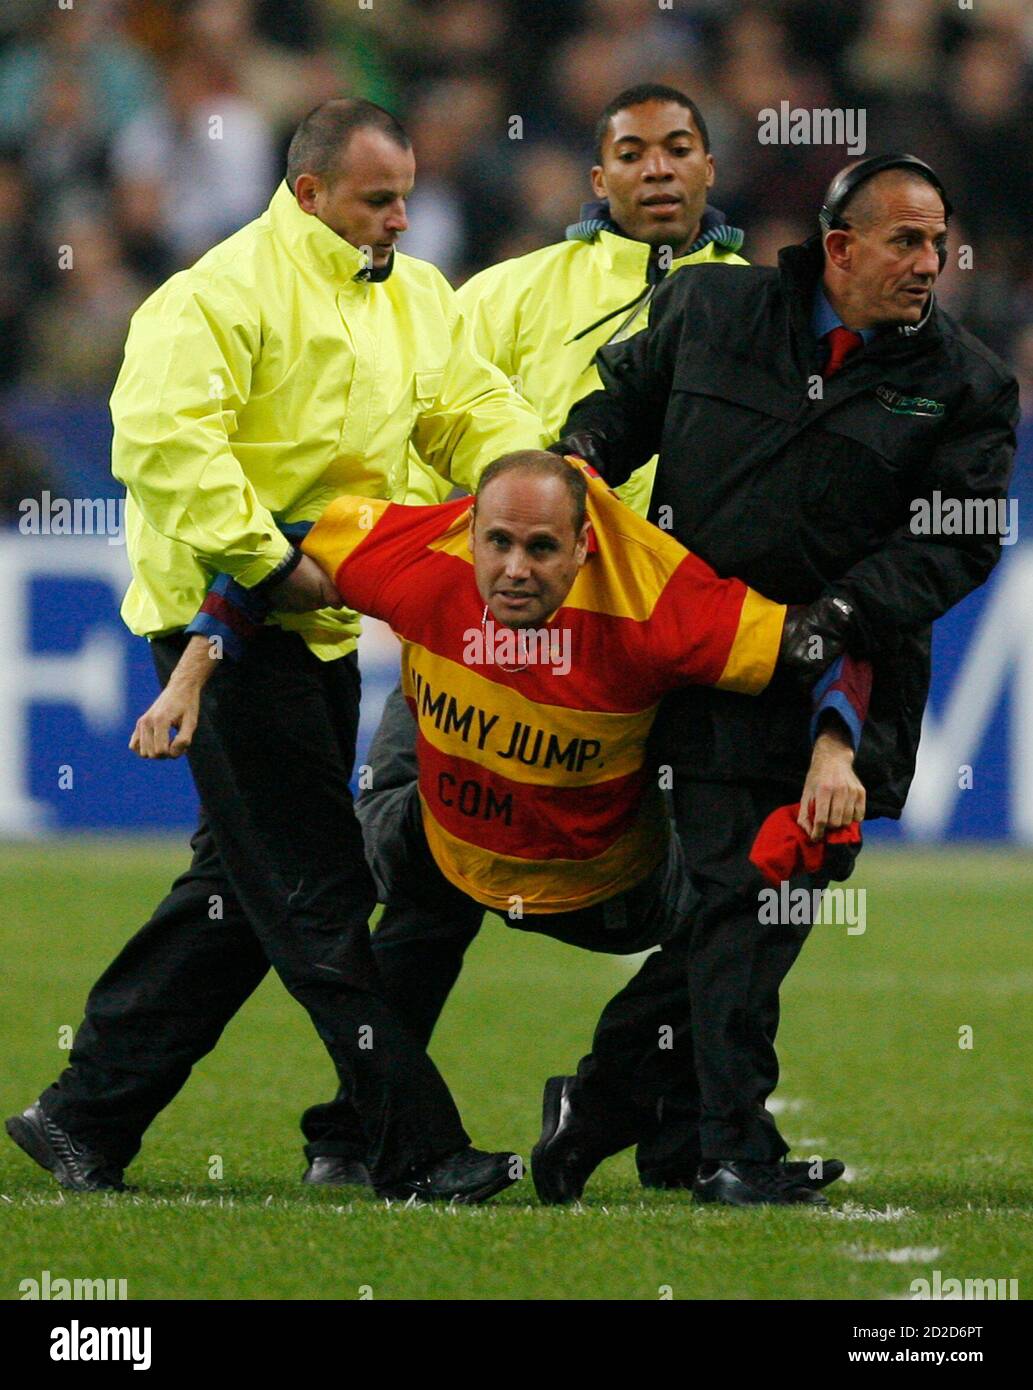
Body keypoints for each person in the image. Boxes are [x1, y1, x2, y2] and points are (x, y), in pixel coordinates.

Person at [5, 99, 546, 1204]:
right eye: (376, 199)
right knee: (314, 892)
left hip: (322, 626)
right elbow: (164, 448)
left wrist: (533, 479)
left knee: (240, 888)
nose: (401, 217)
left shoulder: (416, 299)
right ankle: (413, 1146)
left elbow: (465, 412)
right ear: (308, 193)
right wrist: (269, 563)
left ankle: (83, 1112)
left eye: (404, 195)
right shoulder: (213, 298)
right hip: (222, 622)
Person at [140, 451, 871, 1207]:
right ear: (469, 531)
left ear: (585, 547)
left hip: (603, 891)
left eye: (542, 548)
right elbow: (265, 559)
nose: (514, 569)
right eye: (497, 543)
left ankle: (625, 1110)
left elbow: (827, 645)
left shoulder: (655, 596)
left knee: (755, 902)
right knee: (296, 883)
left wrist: (833, 752)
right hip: (437, 843)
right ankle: (345, 1137)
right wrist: (188, 679)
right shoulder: (422, 553)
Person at [298, 82, 754, 1191]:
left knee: (730, 893)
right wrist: (446, 587)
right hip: (480, 631)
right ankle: (359, 1131)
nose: (656, 170)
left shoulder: (764, 312)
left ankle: (664, 1121)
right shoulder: (503, 295)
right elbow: (419, 430)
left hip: (655, 656)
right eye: (632, 153)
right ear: (594, 180)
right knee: (425, 889)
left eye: (678, 150)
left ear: (708, 170)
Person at [552, 154, 1019, 1205]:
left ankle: (613, 1111)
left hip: (844, 677)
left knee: (761, 913)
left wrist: (837, 617)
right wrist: (576, 455)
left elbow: (960, 539)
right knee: (736, 901)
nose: (928, 263)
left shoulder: (966, 382)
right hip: (705, 661)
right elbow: (618, 404)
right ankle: (730, 1148)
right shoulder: (711, 305)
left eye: (937, 243)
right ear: (839, 246)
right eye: (905, 241)